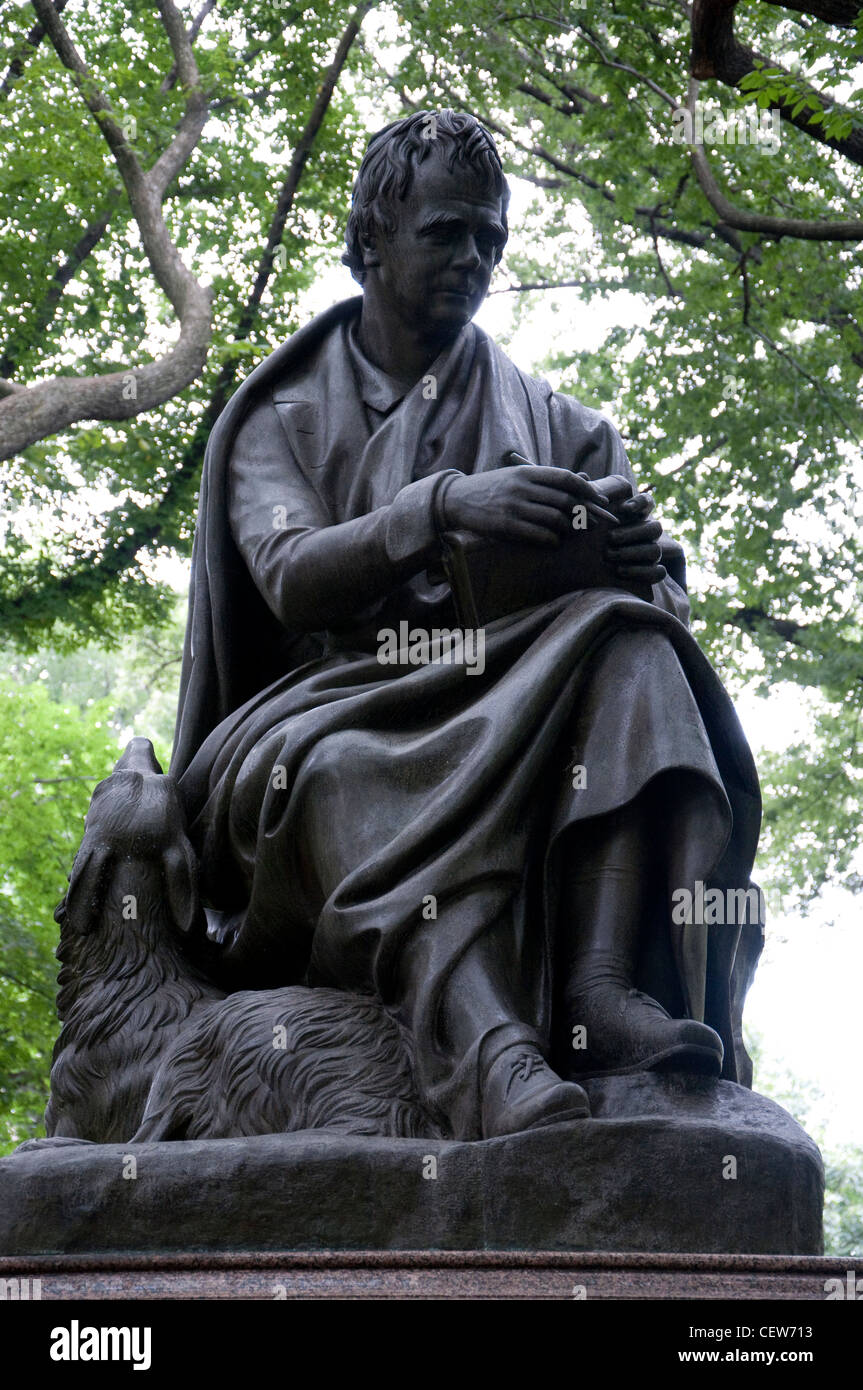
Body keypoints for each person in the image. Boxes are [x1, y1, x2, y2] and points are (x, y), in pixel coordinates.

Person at [171, 110, 762, 1142]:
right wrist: (439, 511)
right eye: (446, 232)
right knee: (346, 776)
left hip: (512, 688)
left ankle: (597, 987)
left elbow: (661, 590)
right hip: (330, 708)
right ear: (367, 241)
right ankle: (491, 1048)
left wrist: (635, 564)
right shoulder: (283, 416)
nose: (474, 259)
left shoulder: (562, 425)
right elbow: (289, 574)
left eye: (489, 238)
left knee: (633, 646)